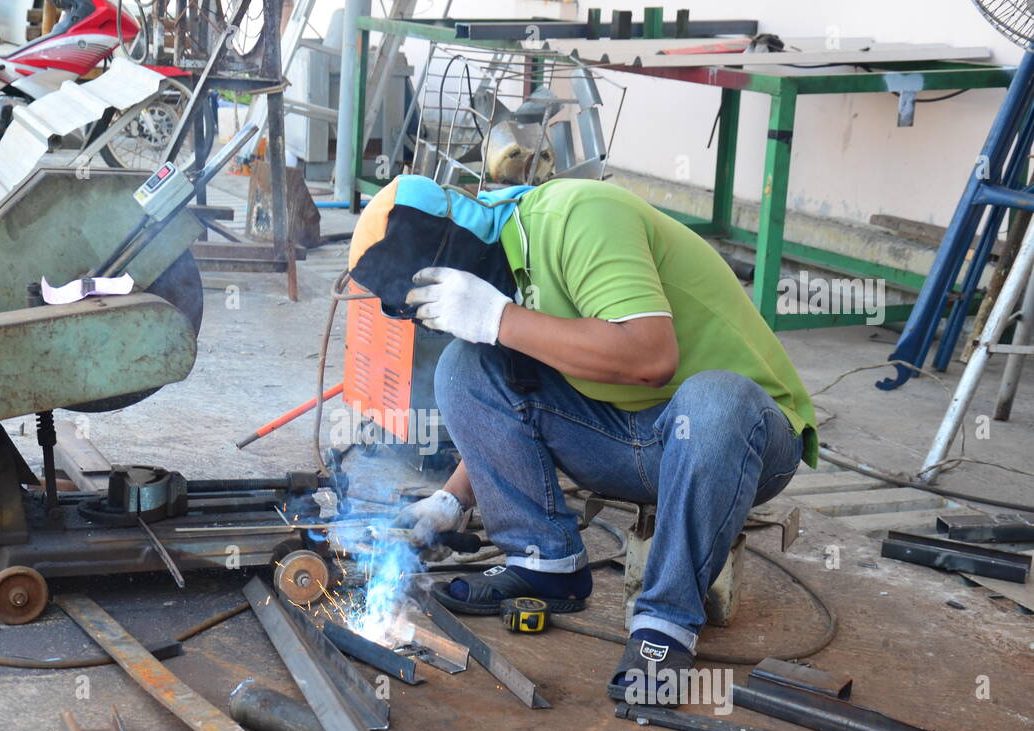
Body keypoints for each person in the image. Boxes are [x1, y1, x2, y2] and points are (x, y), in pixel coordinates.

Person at [347, 174, 817, 703]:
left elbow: (651, 359)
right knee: (465, 365)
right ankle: (544, 566)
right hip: (629, 439)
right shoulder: (508, 266)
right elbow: (516, 382)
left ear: (450, 258)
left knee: (714, 399)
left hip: (740, 443)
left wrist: (499, 318)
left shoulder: (579, 215)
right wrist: (448, 501)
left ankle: (665, 625)